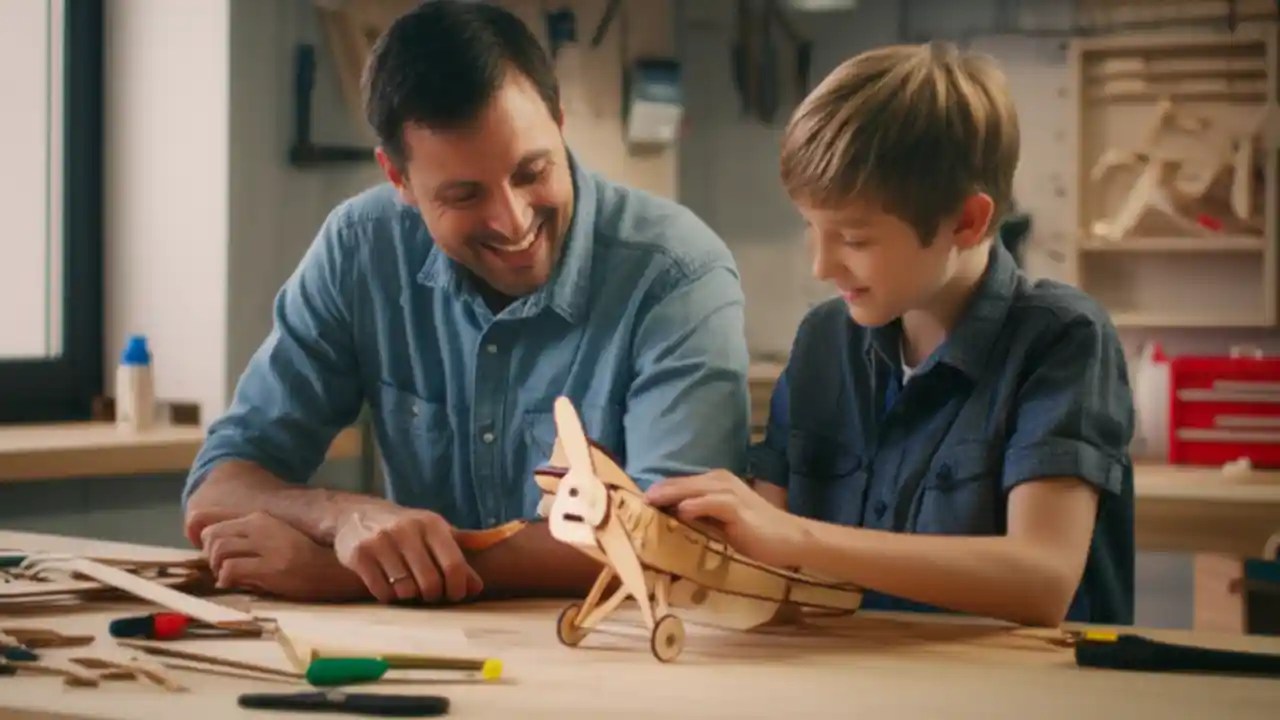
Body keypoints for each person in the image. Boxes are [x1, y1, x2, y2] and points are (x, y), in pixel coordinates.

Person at [182, 0, 749, 606]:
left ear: (558, 121)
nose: (512, 219)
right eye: (464, 194)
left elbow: (676, 544)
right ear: (397, 179)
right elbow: (218, 488)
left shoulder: (677, 270)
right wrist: (340, 516)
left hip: (619, 657)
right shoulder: (359, 248)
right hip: (430, 656)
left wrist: (356, 572)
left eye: (532, 171)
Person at [645, 42, 1135, 627]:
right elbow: (761, 549)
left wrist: (795, 536)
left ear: (966, 221)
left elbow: (1043, 577)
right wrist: (667, 524)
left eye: (854, 239)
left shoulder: (1062, 340)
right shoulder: (825, 341)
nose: (821, 267)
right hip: (850, 684)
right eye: (810, 227)